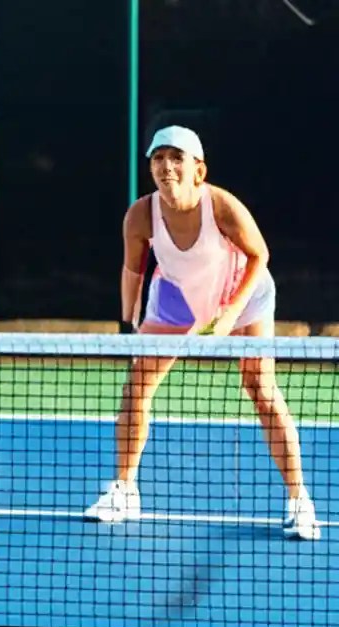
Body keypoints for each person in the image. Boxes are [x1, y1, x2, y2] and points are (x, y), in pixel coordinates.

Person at [85, 126, 320, 541]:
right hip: (178, 299)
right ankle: (124, 489)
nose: (166, 167)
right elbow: (133, 270)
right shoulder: (140, 214)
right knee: (137, 385)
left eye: (177, 158)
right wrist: (127, 322)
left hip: (243, 293)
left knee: (260, 388)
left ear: (199, 169)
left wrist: (230, 314)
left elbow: (259, 255)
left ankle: (300, 501)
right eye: (158, 159)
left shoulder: (222, 205)